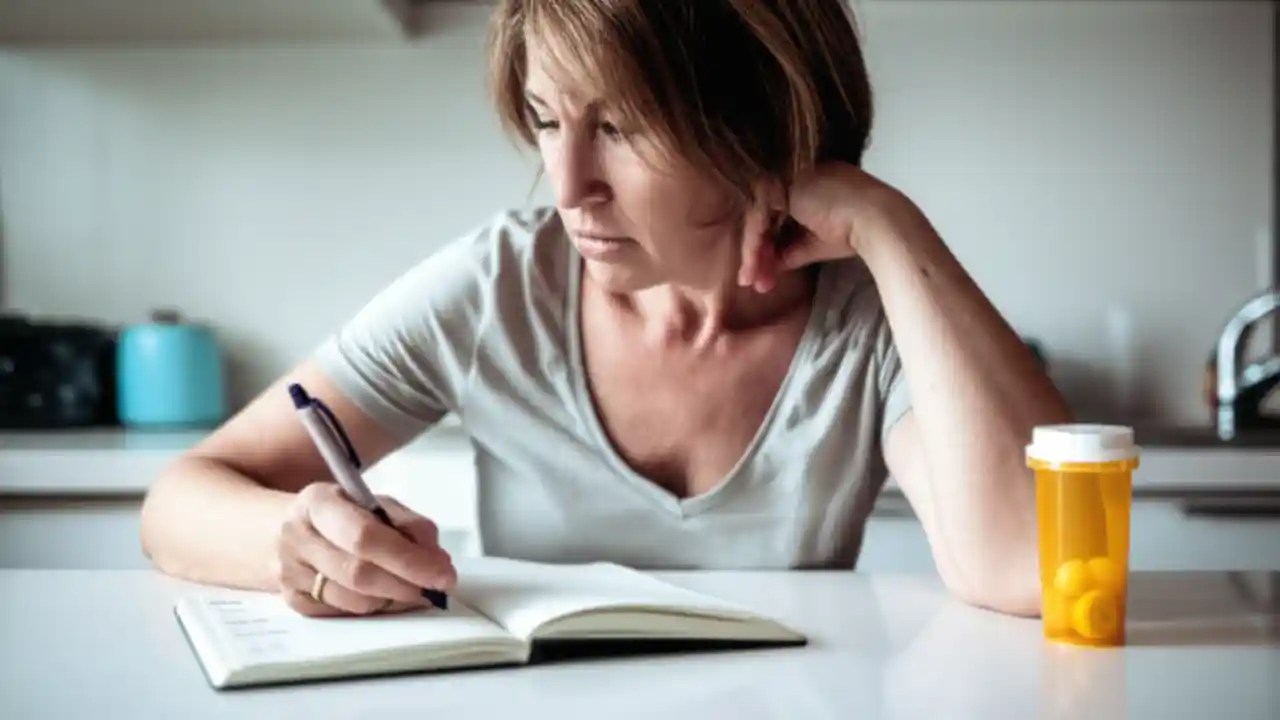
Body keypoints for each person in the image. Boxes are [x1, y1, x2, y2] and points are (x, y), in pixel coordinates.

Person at [140, 0, 1070, 619]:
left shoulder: (865, 323)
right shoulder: (497, 287)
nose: (568, 183)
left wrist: (887, 223)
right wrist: (293, 540)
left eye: (620, 127)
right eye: (548, 120)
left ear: (757, 126)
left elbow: (1037, 565)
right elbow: (180, 499)